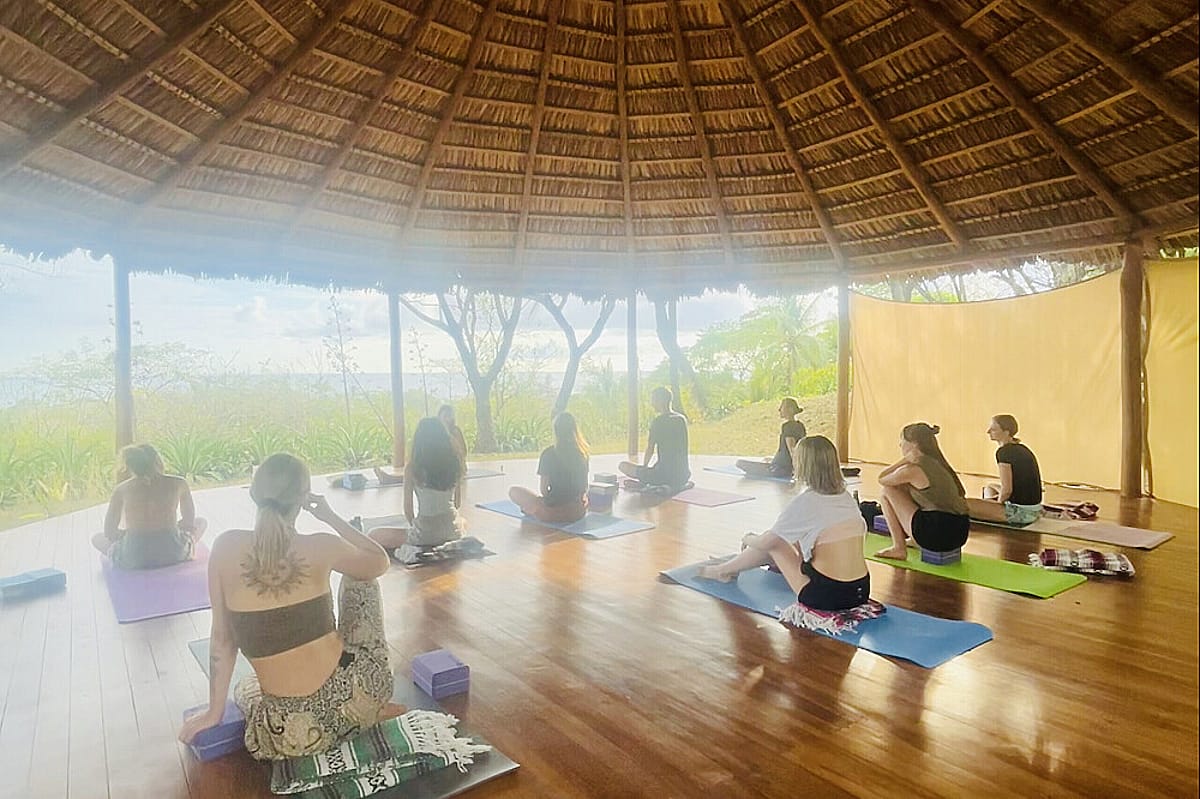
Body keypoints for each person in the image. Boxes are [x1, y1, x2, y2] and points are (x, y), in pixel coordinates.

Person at [178, 453, 395, 759]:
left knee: (245, 689)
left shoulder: (225, 548)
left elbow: (223, 640)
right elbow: (379, 561)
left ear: (254, 495)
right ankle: (373, 709)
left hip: (287, 736)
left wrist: (213, 713)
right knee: (362, 580)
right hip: (356, 704)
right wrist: (329, 516)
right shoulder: (323, 545)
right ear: (303, 498)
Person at [698, 436, 870, 610]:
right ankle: (731, 568)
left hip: (827, 596)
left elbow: (769, 542)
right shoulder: (845, 497)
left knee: (773, 543)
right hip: (861, 591)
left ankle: (722, 571)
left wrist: (748, 537)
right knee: (782, 539)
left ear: (803, 465)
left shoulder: (807, 502)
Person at [92, 443, 207, 569]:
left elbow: (109, 532)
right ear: (157, 461)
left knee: (97, 538)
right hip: (174, 554)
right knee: (201, 522)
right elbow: (189, 523)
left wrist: (130, 535)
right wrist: (170, 529)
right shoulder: (179, 483)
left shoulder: (121, 489)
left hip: (134, 558)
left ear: (131, 467)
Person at [368, 417, 464, 560]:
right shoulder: (455, 464)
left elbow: (408, 510)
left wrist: (418, 529)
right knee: (462, 521)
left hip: (424, 534)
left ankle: (424, 541)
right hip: (453, 532)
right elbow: (457, 504)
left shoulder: (413, 468)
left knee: (373, 534)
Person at [873, 423, 969, 560]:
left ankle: (899, 548)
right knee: (903, 488)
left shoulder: (913, 469)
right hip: (960, 534)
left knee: (887, 491)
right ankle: (913, 541)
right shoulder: (939, 463)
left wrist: (904, 460)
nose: (900, 445)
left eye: (902, 441)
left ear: (914, 444)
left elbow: (882, 478)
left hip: (937, 535)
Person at [509, 412, 590, 524]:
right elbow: (584, 487)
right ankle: (536, 509)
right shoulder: (583, 453)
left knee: (514, 491)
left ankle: (534, 510)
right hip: (577, 513)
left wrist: (543, 502)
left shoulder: (549, 454)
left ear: (556, 431)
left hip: (552, 514)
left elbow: (544, 489)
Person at [965, 415, 1043, 526]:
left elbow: (1007, 490)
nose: (988, 432)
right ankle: (988, 507)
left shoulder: (1004, 452)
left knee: (962, 504)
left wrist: (997, 504)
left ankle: (989, 509)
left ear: (1006, 432)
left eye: (993, 429)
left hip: (1021, 513)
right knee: (990, 487)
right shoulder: (1022, 448)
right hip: (1035, 508)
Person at [373, 404, 469, 487]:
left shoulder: (455, 431)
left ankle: (389, 479)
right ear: (439, 418)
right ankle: (390, 479)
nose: (447, 419)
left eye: (449, 416)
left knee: (421, 475)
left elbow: (462, 452)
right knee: (419, 472)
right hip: (438, 465)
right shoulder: (435, 434)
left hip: (452, 467)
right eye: (445, 416)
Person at [618, 386, 691, 490]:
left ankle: (653, 484)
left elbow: (650, 448)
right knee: (655, 469)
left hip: (664, 476)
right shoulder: (681, 419)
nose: (652, 404)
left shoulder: (658, 422)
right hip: (683, 475)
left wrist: (644, 470)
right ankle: (658, 484)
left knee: (623, 465)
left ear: (659, 401)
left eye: (653, 400)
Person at [735, 397, 806, 479]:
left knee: (740, 463)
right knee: (765, 460)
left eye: (782, 407)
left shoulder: (787, 426)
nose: (779, 409)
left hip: (780, 469)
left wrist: (797, 470)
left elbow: (792, 450)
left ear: (790, 409)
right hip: (783, 466)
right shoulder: (800, 426)